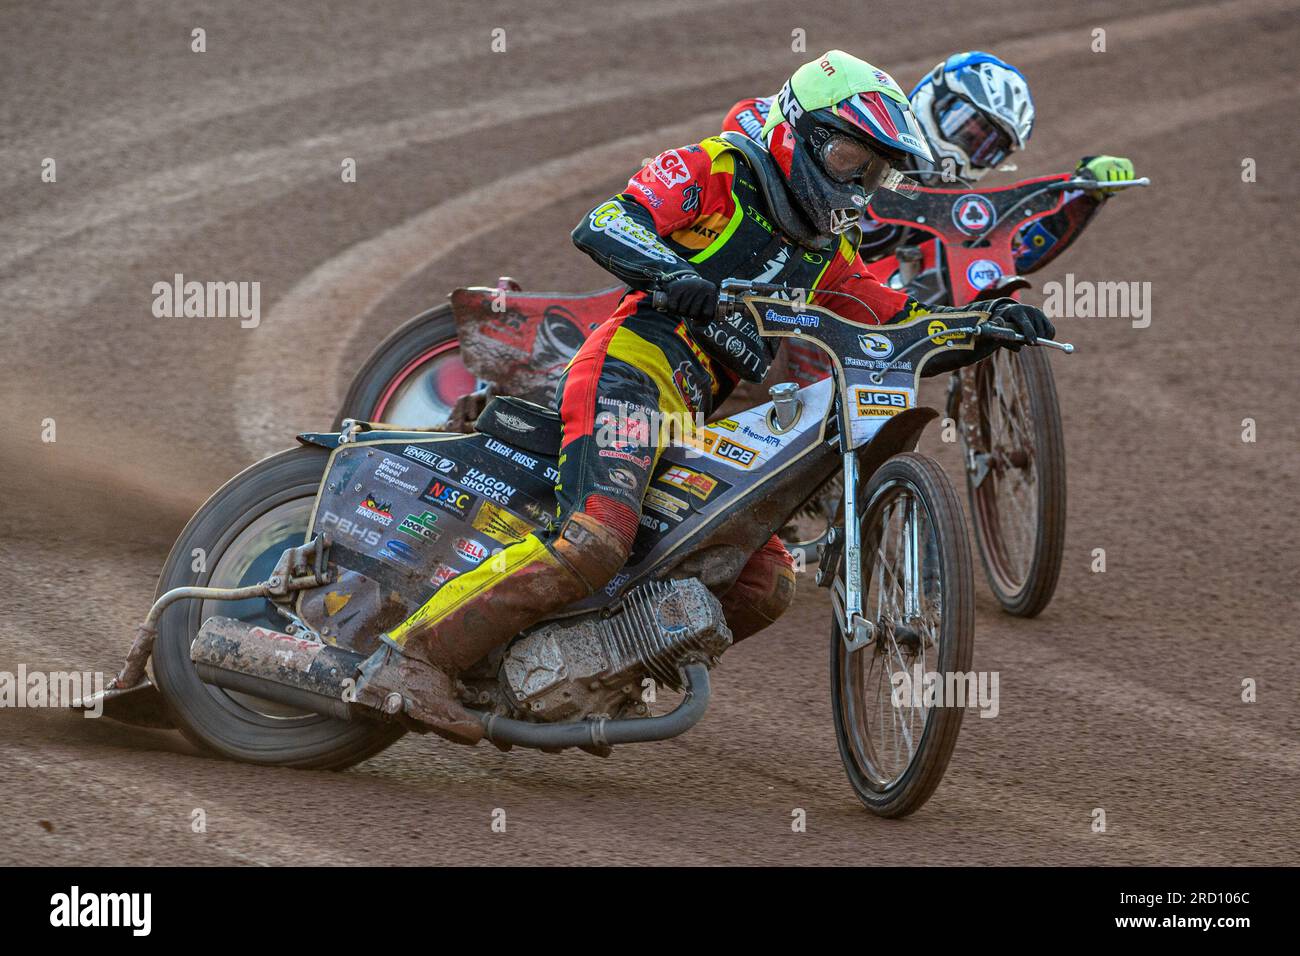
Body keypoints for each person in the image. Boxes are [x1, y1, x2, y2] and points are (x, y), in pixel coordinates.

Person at [352, 51, 1054, 743]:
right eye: (848, 159)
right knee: (594, 539)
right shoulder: (719, 168)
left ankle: (588, 665)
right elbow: (605, 222)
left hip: (695, 416)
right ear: (794, 132)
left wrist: (987, 324)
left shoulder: (826, 253)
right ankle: (410, 657)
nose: (857, 184)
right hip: (631, 369)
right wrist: (668, 272)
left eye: (872, 171)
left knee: (764, 583)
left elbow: (895, 321)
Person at [722, 50, 1136, 268]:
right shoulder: (863, 126)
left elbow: (1016, 254)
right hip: (757, 262)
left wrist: (1083, 199)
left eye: (989, 145)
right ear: (932, 95)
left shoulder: (949, 203)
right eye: (967, 126)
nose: (969, 149)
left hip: (847, 295)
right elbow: (747, 113)